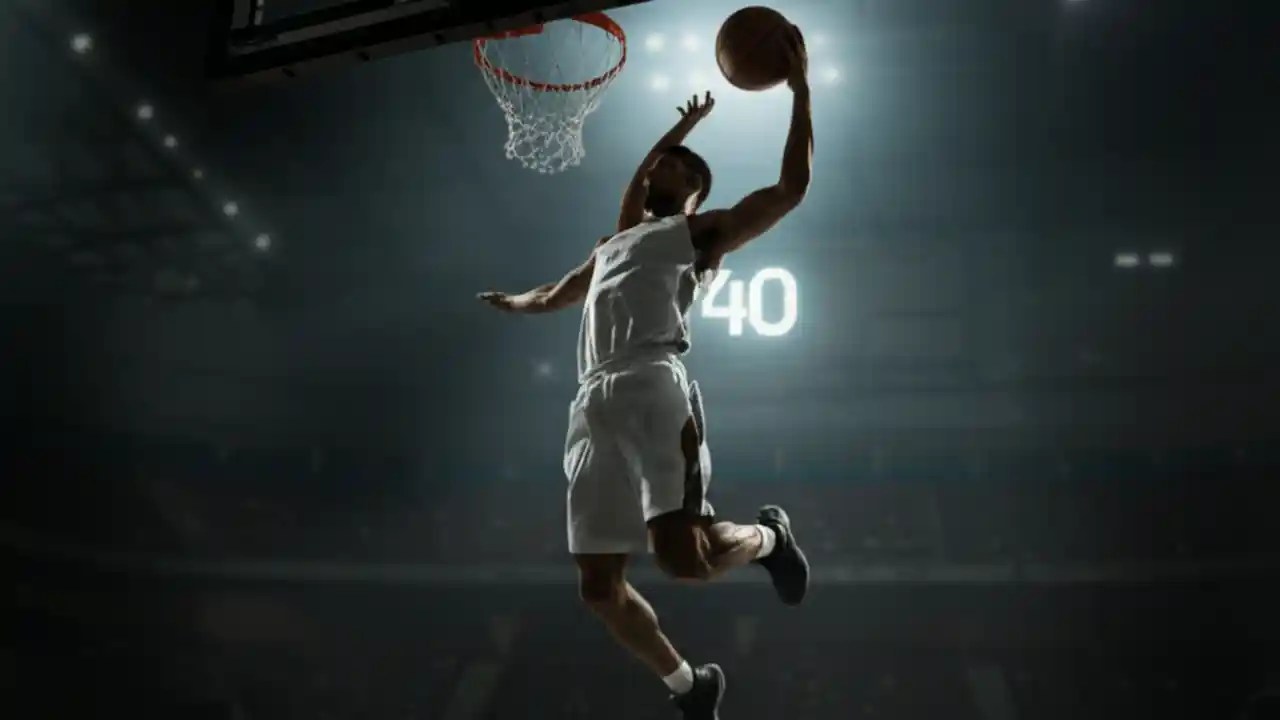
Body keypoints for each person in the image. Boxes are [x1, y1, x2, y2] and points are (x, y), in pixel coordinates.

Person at [478, 26, 814, 719]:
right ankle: (692, 686)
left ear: (692, 189)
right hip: (589, 403)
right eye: (658, 161)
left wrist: (800, 88)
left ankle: (771, 538)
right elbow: (554, 293)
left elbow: (790, 189)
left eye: (673, 164)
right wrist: (514, 302)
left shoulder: (699, 236)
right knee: (598, 587)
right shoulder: (612, 247)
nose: (657, 166)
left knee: (685, 561)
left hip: (654, 383)